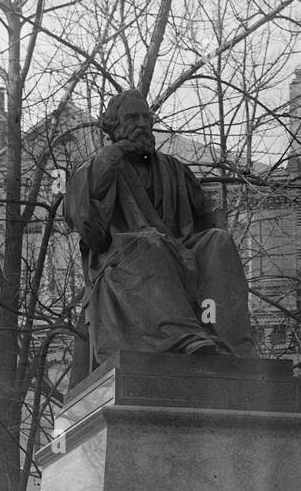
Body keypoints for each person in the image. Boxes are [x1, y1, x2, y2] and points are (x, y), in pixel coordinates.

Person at [64, 88, 257, 384]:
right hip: (123, 266)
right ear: (114, 125)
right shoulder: (96, 167)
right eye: (131, 117)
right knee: (150, 241)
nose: (141, 123)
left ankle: (231, 343)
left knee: (218, 241)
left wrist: (217, 223)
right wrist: (113, 155)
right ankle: (183, 338)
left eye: (146, 116)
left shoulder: (173, 169)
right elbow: (86, 223)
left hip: (177, 255)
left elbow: (205, 219)